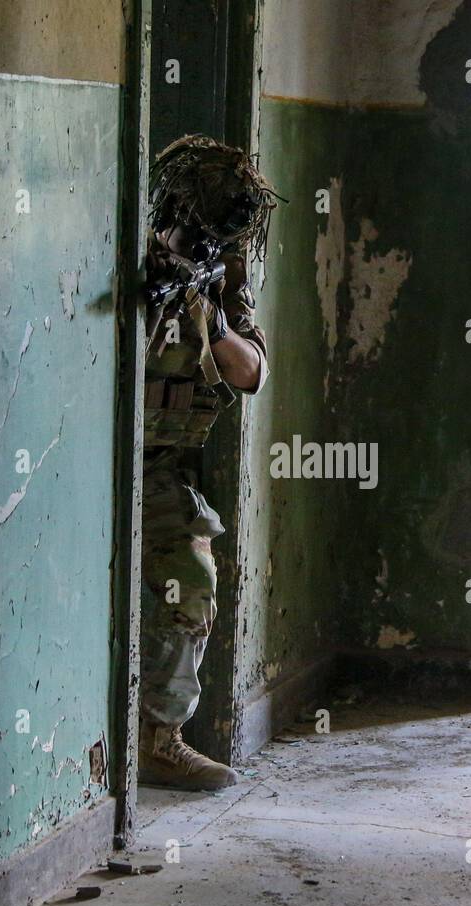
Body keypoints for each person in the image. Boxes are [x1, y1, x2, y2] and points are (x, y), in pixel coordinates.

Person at [138, 134, 277, 789]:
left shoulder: (222, 271)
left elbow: (252, 374)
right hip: (83, 464)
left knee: (189, 586)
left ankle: (159, 739)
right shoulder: (114, 240)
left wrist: (211, 313)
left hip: (158, 466)